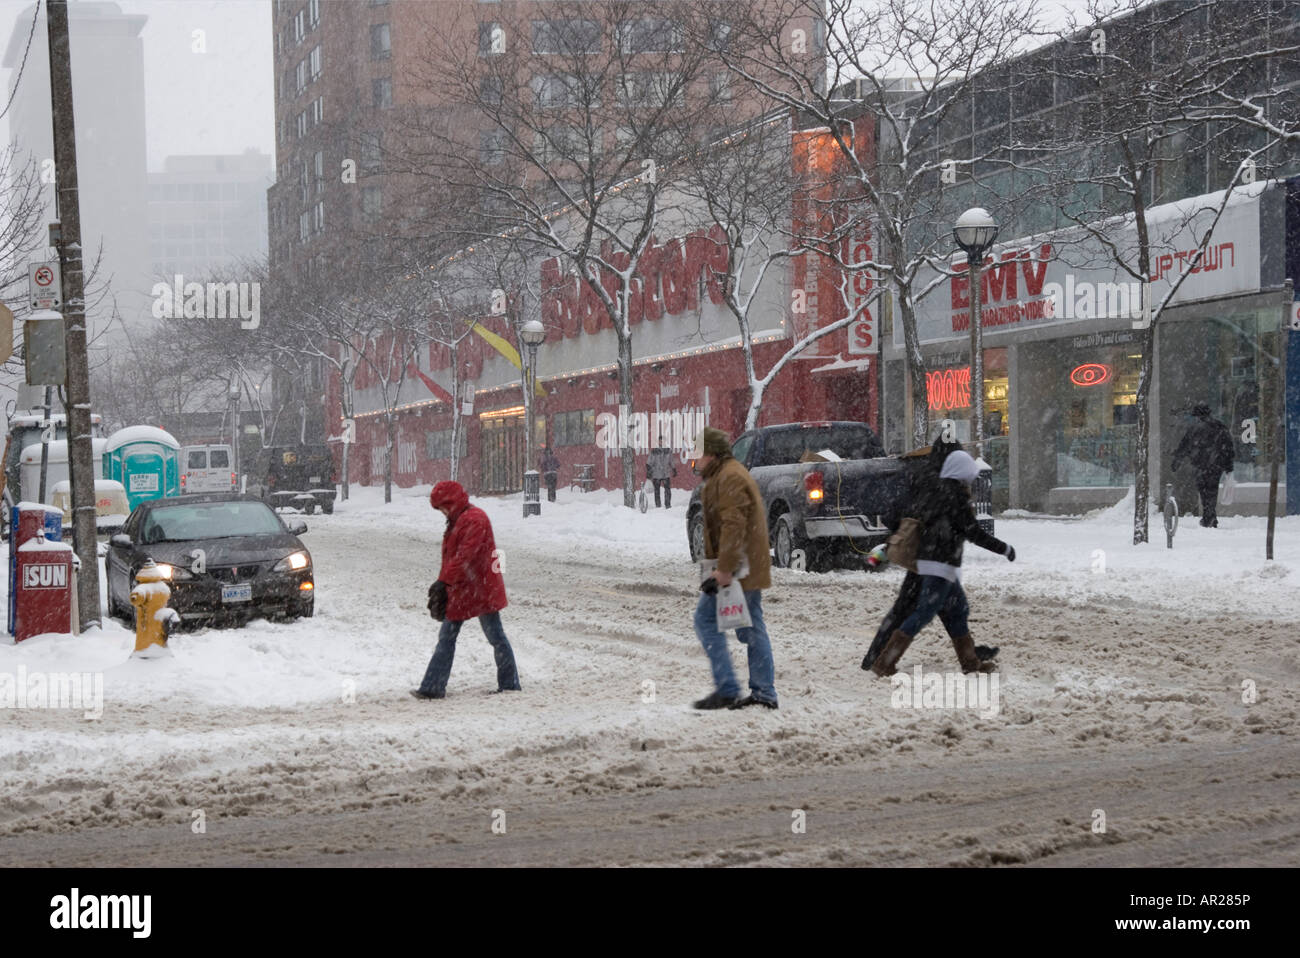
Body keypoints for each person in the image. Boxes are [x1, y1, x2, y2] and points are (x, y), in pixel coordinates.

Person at [870, 450, 1016, 677]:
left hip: (932, 562)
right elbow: (974, 532)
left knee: (958, 610)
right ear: (962, 472)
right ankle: (884, 662)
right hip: (941, 565)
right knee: (923, 614)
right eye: (970, 473)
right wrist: (1004, 549)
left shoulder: (935, 491)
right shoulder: (955, 497)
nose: (972, 478)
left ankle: (970, 663)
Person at [690, 427, 778, 710]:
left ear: (712, 453)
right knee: (748, 628)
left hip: (740, 569)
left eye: (698, 453)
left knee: (710, 621)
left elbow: (734, 525)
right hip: (740, 567)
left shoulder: (729, 477)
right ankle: (757, 691)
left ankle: (736, 689)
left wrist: (725, 570)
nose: (695, 460)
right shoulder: (722, 474)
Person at [413, 481, 521, 699]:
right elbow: (455, 558)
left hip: (479, 589)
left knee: (494, 636)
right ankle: (433, 687)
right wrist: (444, 582)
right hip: (465, 588)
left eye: (443, 506)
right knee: (450, 636)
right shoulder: (458, 520)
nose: (441, 512)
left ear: (452, 503)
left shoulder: (474, 520)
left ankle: (509, 684)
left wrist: (444, 582)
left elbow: (465, 557)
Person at [1171, 402, 1234, 528]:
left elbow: (1185, 446)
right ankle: (1210, 516)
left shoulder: (1194, 428)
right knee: (1212, 490)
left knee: (1204, 491)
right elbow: (1228, 447)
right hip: (1216, 465)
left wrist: (1177, 460)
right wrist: (1228, 466)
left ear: (1197, 415)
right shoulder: (1219, 426)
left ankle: (1209, 516)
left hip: (1201, 465)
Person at [646, 439, 677, 508]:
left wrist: (674, 469)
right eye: (660, 441)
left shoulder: (668, 451)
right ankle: (658, 505)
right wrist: (649, 471)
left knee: (667, 490)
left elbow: (671, 461)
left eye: (662, 441)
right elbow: (649, 462)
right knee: (657, 491)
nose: (661, 442)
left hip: (666, 473)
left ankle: (668, 504)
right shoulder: (654, 451)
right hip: (656, 473)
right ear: (658, 442)